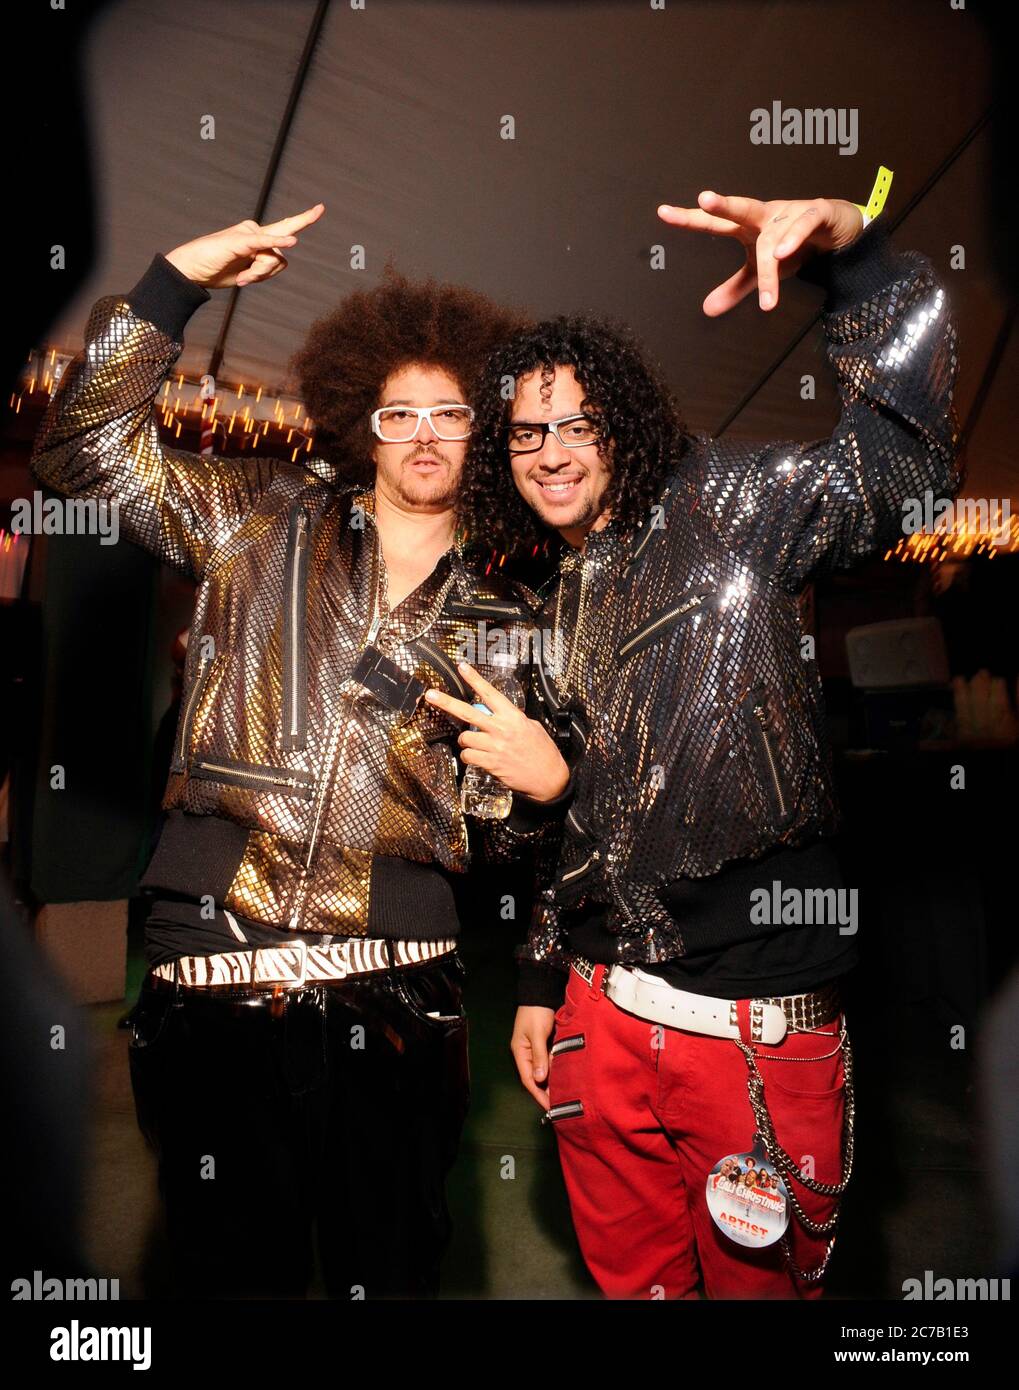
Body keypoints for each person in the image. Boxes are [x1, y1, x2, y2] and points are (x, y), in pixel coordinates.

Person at [30, 204, 570, 1299]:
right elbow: (80, 452)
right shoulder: (255, 516)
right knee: (232, 1269)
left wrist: (541, 788)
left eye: (452, 411)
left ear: (485, 433)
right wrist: (171, 287)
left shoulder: (514, 616)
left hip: (401, 976)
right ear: (360, 420)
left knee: (393, 1265)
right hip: (213, 951)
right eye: (399, 411)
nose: (424, 432)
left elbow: (514, 832)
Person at [432, 186, 960, 1298]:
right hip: (596, 1011)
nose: (551, 453)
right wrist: (539, 982)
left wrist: (854, 266)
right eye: (527, 433)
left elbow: (901, 480)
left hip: (752, 1024)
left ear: (623, 418)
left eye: (578, 422)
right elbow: (558, 817)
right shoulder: (549, 593)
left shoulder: (732, 501)